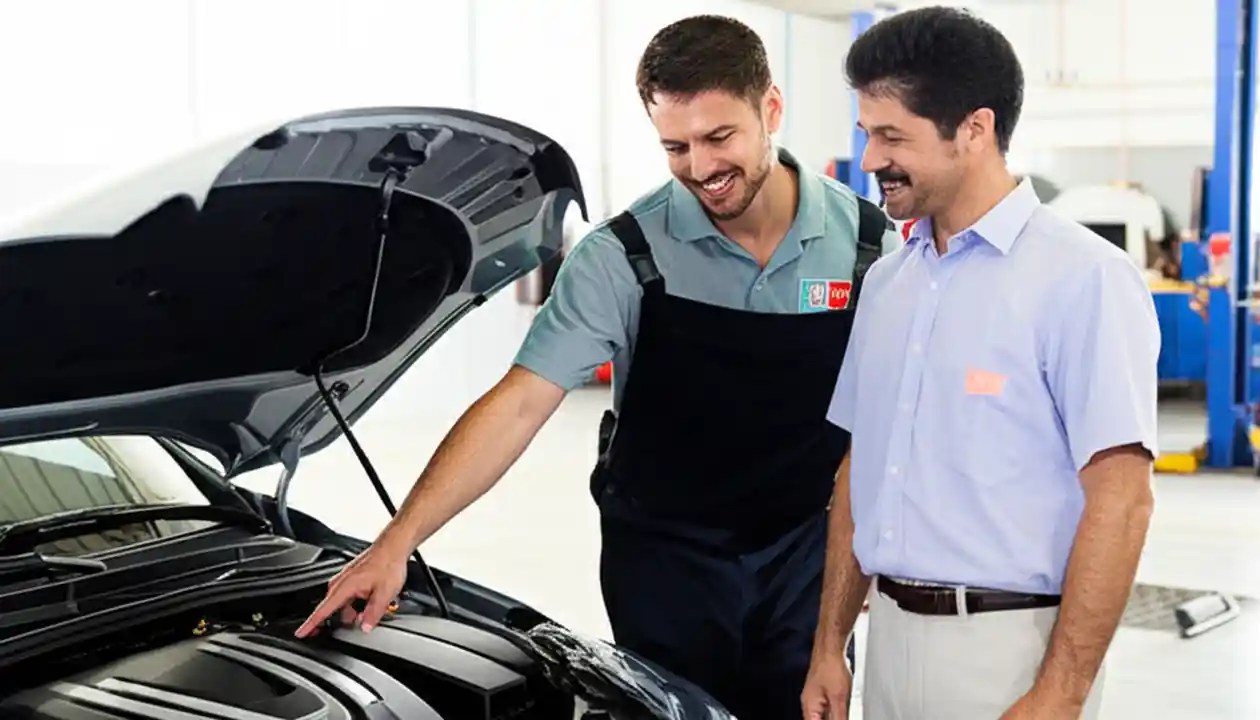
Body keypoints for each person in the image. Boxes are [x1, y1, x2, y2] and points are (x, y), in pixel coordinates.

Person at [294, 14, 900, 720]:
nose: (700, 167)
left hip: (803, 557)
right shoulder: (623, 256)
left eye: (719, 137)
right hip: (665, 558)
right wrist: (398, 542)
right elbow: (521, 402)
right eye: (675, 146)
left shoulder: (865, 247)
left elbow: (884, 432)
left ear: (771, 108)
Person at [801, 7, 1159, 720]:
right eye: (867, 133)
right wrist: (829, 644)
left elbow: (1122, 500)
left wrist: (1060, 693)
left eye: (891, 136)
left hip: (1010, 654)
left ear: (974, 128)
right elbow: (859, 470)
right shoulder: (887, 284)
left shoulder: (1084, 278)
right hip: (889, 645)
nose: (870, 159)